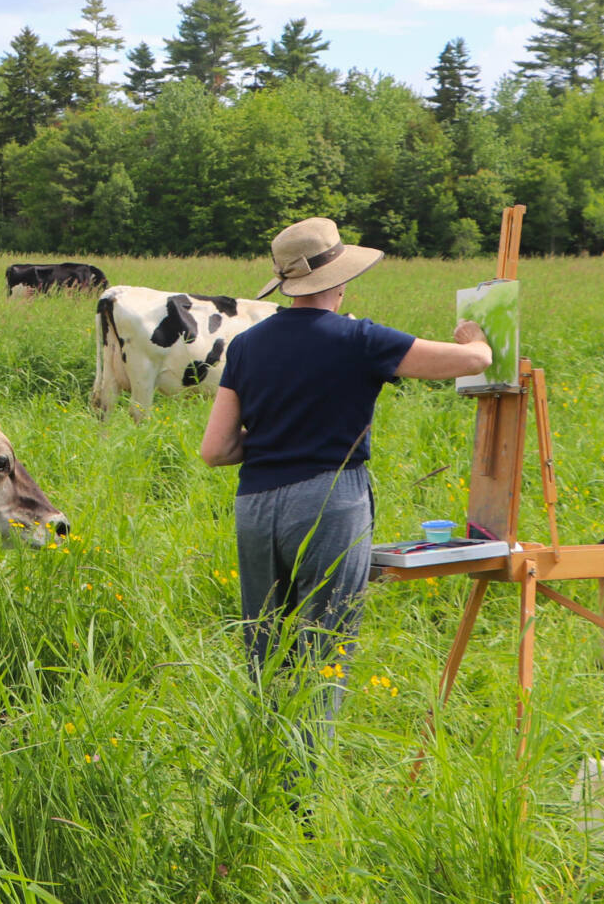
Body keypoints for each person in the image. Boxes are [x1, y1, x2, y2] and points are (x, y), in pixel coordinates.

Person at [198, 216, 492, 754]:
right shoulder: (359, 338)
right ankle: (308, 789)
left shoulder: (247, 345)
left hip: (255, 506)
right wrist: (477, 341)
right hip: (330, 502)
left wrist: (271, 442)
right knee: (324, 643)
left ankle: (263, 764)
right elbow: (470, 362)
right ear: (338, 280)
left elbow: (215, 450)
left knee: (266, 644)